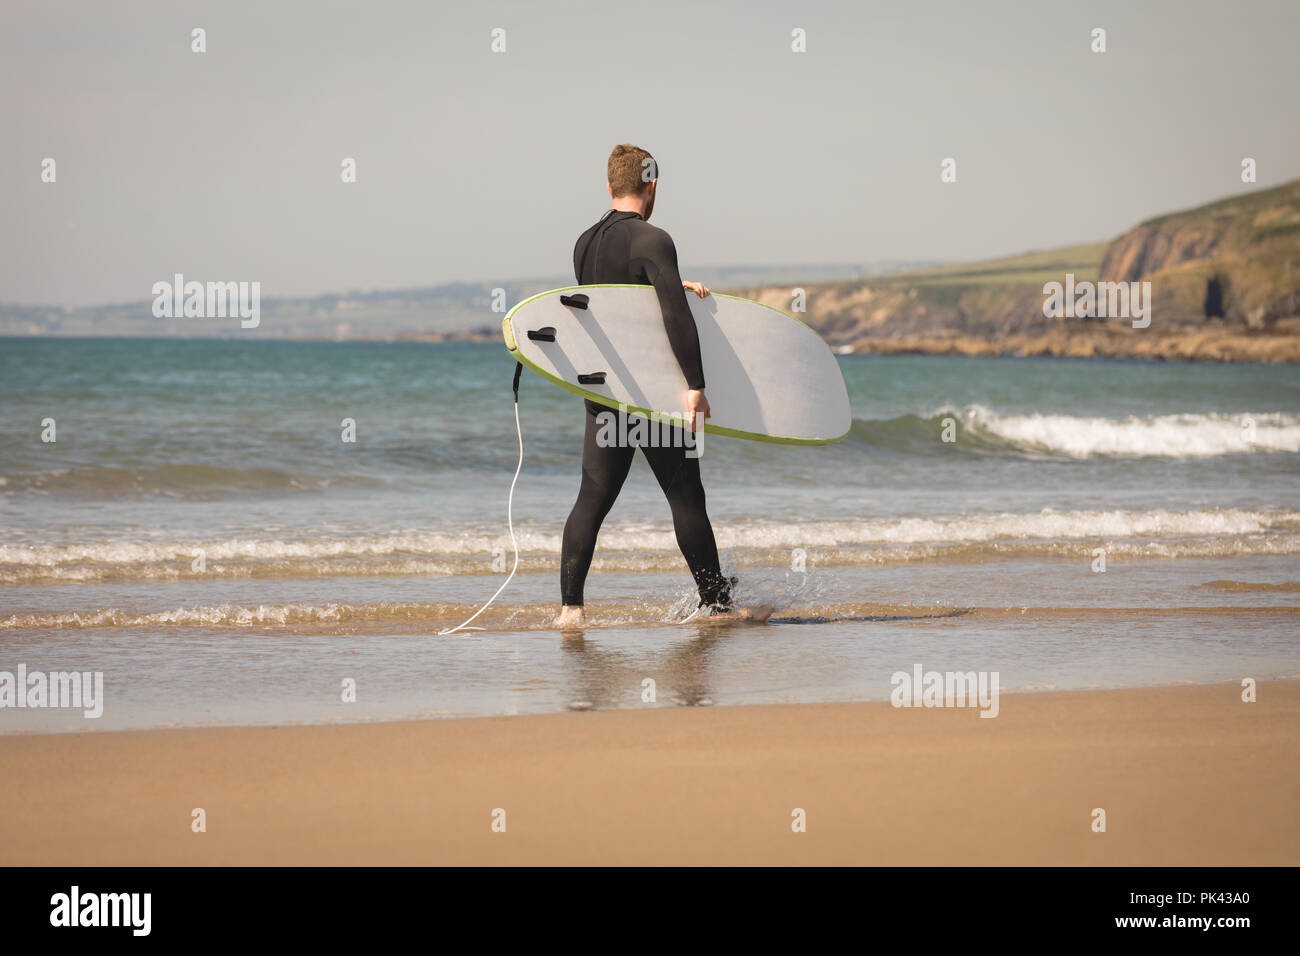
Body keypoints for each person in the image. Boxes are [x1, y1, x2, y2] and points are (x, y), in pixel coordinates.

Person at [555, 144, 770, 629]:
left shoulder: (583, 243)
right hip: (650, 399)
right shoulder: (654, 239)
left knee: (591, 497)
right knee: (686, 496)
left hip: (606, 394)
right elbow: (673, 316)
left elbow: (616, 306)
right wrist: (695, 384)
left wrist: (670, 280)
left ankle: (570, 610)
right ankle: (717, 607)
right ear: (651, 185)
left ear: (610, 186)